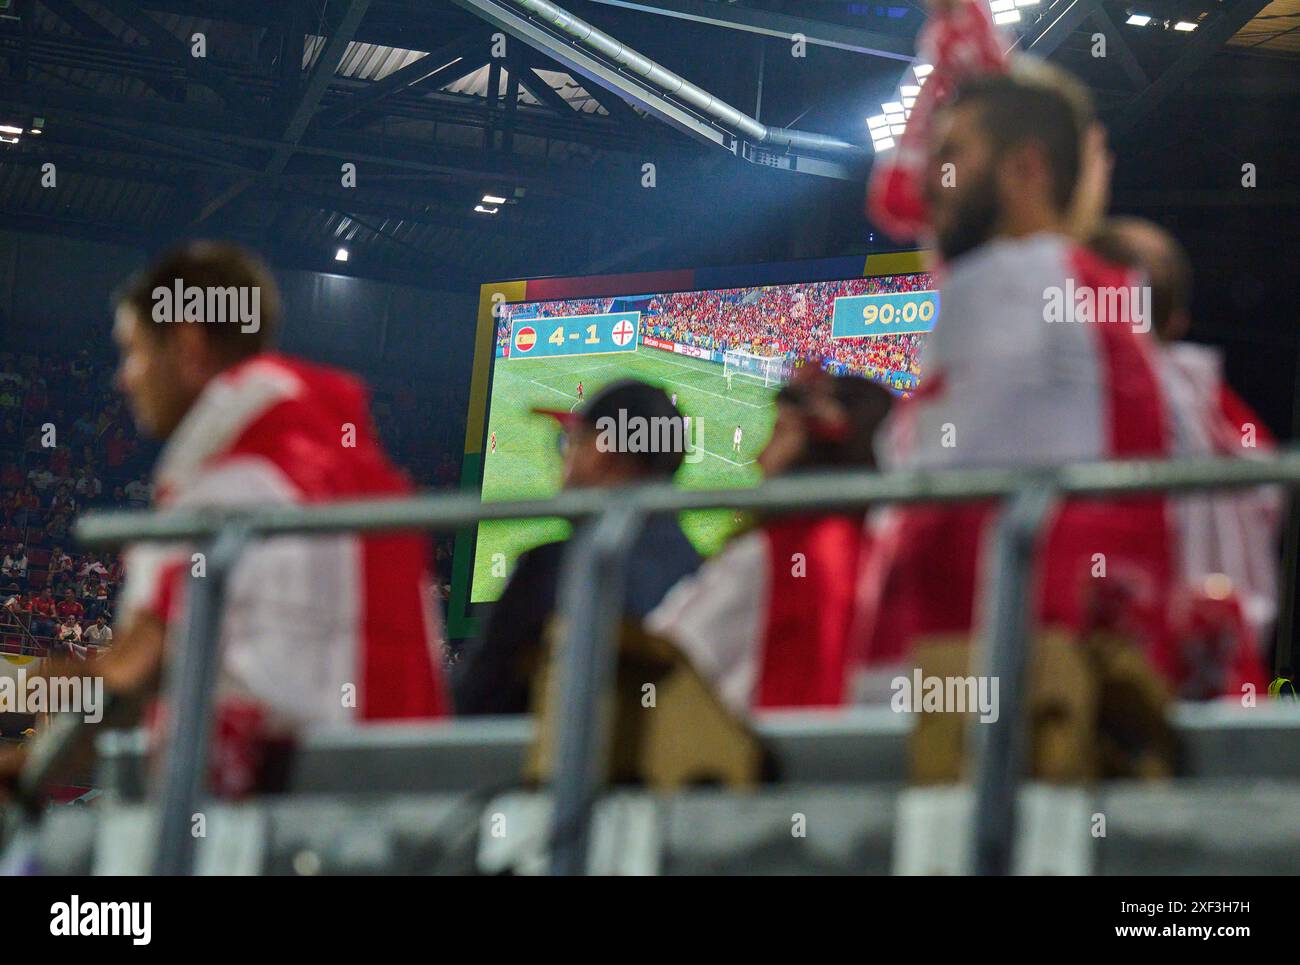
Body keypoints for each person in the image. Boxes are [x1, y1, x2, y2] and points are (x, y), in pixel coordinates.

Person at [4, 242, 448, 799]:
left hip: (288, 823)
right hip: (397, 808)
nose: (124, 379)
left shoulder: (234, 477)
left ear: (187, 346)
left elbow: (130, 674)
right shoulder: (350, 462)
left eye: (134, 352)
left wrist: (33, 737)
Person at [855, 62, 1183, 687]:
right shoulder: (1069, 285)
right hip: (1027, 689)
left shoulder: (1020, 281)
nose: (930, 181)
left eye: (953, 156)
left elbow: (928, 517)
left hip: (986, 704)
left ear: (1026, 170)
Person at [1089, 217, 1281, 690]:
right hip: (1222, 678)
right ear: (1177, 322)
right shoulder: (1225, 416)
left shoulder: (1074, 399)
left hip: (1111, 678)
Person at [648, 371, 892, 714]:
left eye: (780, 433)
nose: (761, 456)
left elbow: (664, 651)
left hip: (766, 754)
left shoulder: (771, 554)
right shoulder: (887, 554)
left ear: (816, 451)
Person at [454, 380, 701, 715]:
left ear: (602, 452)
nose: (564, 458)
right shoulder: (702, 572)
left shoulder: (553, 567)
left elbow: (473, 707)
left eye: (570, 441)